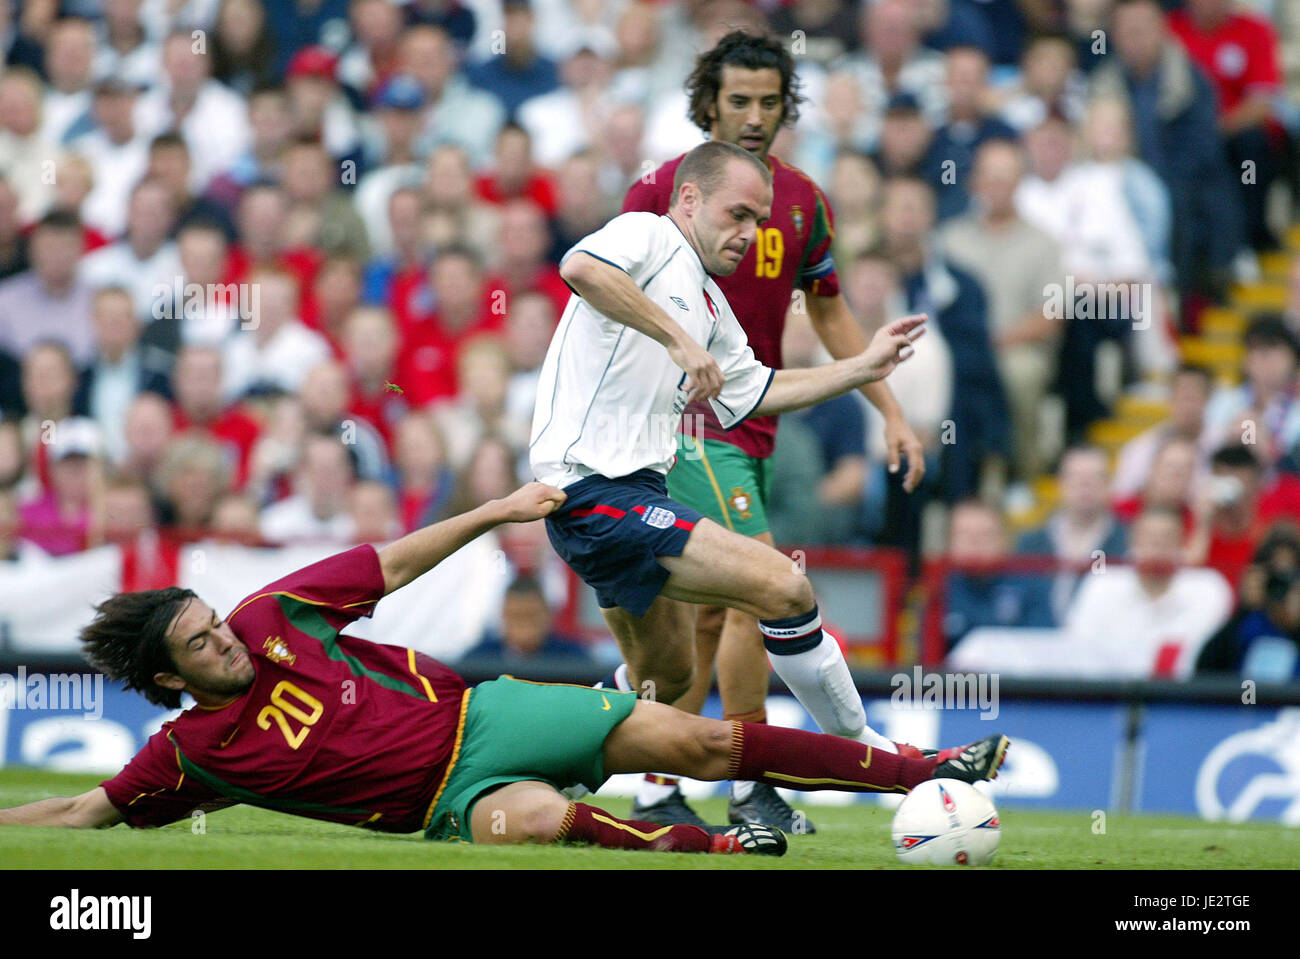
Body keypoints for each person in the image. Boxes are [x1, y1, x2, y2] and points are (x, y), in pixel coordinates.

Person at [0, 481, 1009, 856]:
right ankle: (718, 852)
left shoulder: (278, 616)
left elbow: (390, 562)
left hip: (489, 718)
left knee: (698, 737)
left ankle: (926, 768)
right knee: (529, 824)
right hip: (447, 807)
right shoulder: (189, 754)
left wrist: (493, 511)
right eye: (203, 643)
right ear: (173, 680)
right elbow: (84, 812)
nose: (226, 637)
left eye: (214, 619)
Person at [535, 136, 952, 836]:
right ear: (689, 199)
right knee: (782, 587)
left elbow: (756, 389)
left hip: (632, 497)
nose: (750, 233)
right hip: (593, 493)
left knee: (663, 680)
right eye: (737, 214)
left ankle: (532, 769)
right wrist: (675, 339)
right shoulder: (645, 234)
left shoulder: (711, 304)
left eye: (759, 219)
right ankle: (880, 756)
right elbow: (580, 267)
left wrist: (865, 368)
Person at [618, 31, 926, 830]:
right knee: (759, 588)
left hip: (752, 423)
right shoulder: (662, 189)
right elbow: (610, 293)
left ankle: (654, 780)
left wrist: (889, 410)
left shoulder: (804, 202)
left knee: (707, 615)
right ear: (707, 105)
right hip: (682, 423)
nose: (754, 117)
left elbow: (827, 309)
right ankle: (752, 782)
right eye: (738, 101)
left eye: (769, 102)